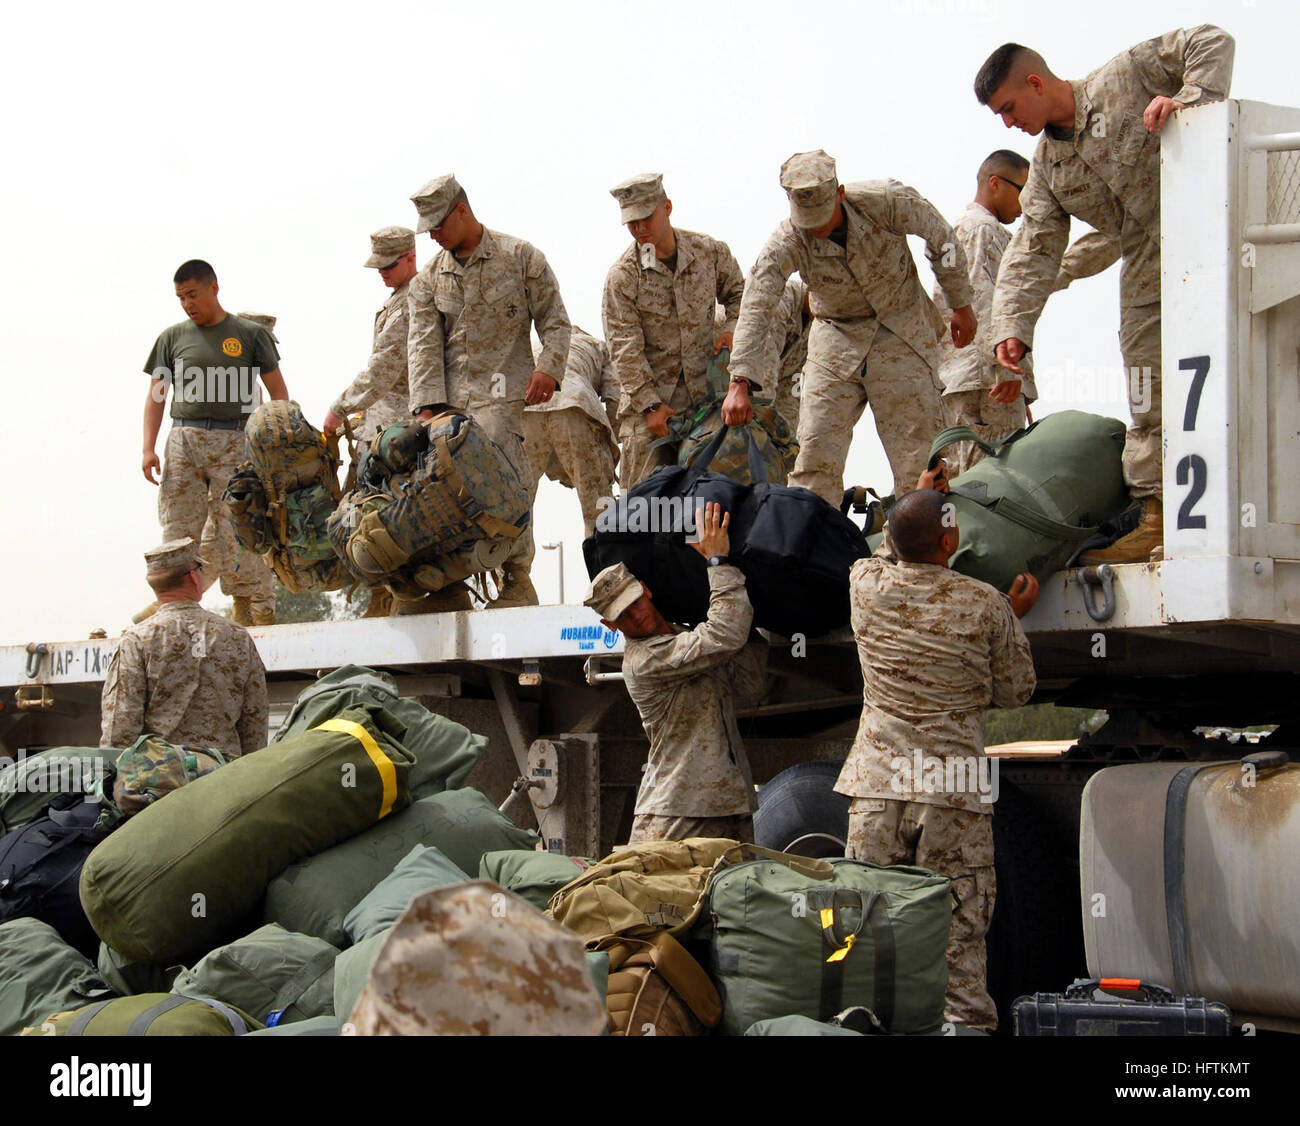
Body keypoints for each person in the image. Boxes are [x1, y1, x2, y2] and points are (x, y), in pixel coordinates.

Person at [976, 26, 1235, 562]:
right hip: (1148, 260)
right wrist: (1012, 330)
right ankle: (1158, 514)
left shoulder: (1127, 74)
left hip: (1221, 226)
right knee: (1146, 379)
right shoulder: (1047, 167)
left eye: (1008, 107)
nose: (1008, 123)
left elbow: (1212, 40)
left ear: (1034, 82)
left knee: (1254, 359)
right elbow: (1033, 250)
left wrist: (1192, 102)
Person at [836, 462, 1039, 1032]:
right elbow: (1016, 690)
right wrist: (1008, 620)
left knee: (865, 937)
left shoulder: (864, 585)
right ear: (951, 540)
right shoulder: (985, 604)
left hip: (876, 789)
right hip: (953, 793)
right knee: (960, 948)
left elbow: (888, 544)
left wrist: (915, 500)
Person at [726, 150, 977, 504]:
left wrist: (960, 303)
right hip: (835, 336)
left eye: (821, 217)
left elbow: (942, 238)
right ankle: (809, 550)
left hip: (900, 329)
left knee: (920, 458)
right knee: (813, 456)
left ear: (839, 194)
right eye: (807, 220)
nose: (816, 228)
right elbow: (757, 302)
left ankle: (923, 551)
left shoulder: (886, 201)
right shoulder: (789, 239)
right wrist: (740, 380)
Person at [406, 174, 571, 610]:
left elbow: (554, 320)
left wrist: (549, 369)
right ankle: (450, 583)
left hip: (503, 396)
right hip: (448, 404)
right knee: (435, 485)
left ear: (462, 211)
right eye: (429, 231)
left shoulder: (520, 257)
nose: (435, 237)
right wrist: (426, 409)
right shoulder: (427, 282)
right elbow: (422, 346)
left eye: (439, 225)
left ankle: (516, 579)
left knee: (505, 477)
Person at [585, 503, 761, 843]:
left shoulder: (683, 635)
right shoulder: (645, 660)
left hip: (726, 803)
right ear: (610, 625)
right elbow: (724, 633)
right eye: (623, 616)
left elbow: (750, 684)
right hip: (674, 816)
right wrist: (717, 562)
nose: (636, 617)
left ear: (646, 591)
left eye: (635, 603)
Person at [140, 260, 288, 626]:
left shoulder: (250, 335)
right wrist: (148, 447)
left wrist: (276, 440)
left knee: (240, 525)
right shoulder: (171, 338)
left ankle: (253, 603)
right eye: (180, 297)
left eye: (192, 294)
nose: (187, 303)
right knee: (178, 529)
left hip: (234, 440)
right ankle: (173, 607)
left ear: (214, 288)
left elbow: (278, 392)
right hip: (184, 440)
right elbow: (156, 396)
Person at [601, 173, 746, 488]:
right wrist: (650, 406)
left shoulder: (709, 252)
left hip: (707, 405)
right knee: (644, 512)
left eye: (646, 218)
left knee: (714, 502)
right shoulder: (624, 277)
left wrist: (732, 328)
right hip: (651, 414)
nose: (639, 228)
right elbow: (624, 348)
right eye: (631, 222)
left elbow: (741, 296)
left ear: (667, 207)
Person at [101, 538, 269, 759]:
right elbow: (254, 722)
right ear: (193, 577)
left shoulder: (137, 640)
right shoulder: (237, 637)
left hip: (160, 783)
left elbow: (120, 728)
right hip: (223, 781)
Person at [932, 150, 1037, 475]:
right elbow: (983, 300)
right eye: (1025, 191)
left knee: (966, 481)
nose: (1028, 204)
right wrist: (1007, 369)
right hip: (986, 380)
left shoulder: (966, 229)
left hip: (971, 379)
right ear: (996, 183)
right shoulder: (982, 230)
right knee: (990, 484)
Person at [323, 226, 417, 444]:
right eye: (378, 266)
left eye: (389, 265)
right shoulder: (401, 297)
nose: (382, 271)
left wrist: (339, 409)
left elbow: (382, 370)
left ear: (410, 258)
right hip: (387, 424)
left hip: (398, 431)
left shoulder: (409, 303)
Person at [523, 327, 620, 537]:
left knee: (517, 505)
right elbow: (615, 399)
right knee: (599, 510)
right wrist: (609, 444)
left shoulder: (537, 344)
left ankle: (512, 569)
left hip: (526, 408)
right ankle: (607, 567)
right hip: (576, 403)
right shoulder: (597, 345)